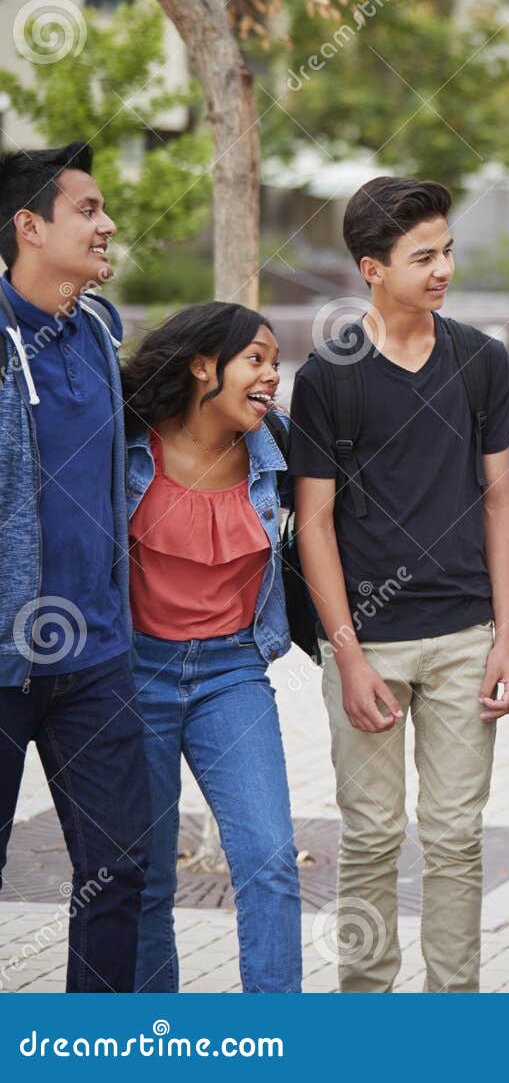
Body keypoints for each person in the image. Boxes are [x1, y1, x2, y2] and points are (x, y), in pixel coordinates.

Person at [290, 176, 509, 993]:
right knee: (373, 832)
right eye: (423, 256)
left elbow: (499, 497)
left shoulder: (480, 361)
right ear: (372, 268)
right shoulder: (328, 377)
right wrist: (347, 656)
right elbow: (313, 523)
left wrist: (508, 639)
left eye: (447, 250)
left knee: (458, 837)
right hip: (370, 645)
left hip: (465, 639)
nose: (443, 268)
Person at [0, 142, 150, 992]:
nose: (107, 224)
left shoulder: (95, 330)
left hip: (95, 658)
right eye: (87, 210)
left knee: (118, 870)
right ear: (30, 226)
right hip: (2, 660)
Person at [121, 302, 302, 993]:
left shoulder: (276, 448)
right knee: (145, 876)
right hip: (136, 675)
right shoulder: (131, 444)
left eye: (276, 363)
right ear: (203, 365)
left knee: (270, 858)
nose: (271, 376)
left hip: (233, 672)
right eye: (255, 359)